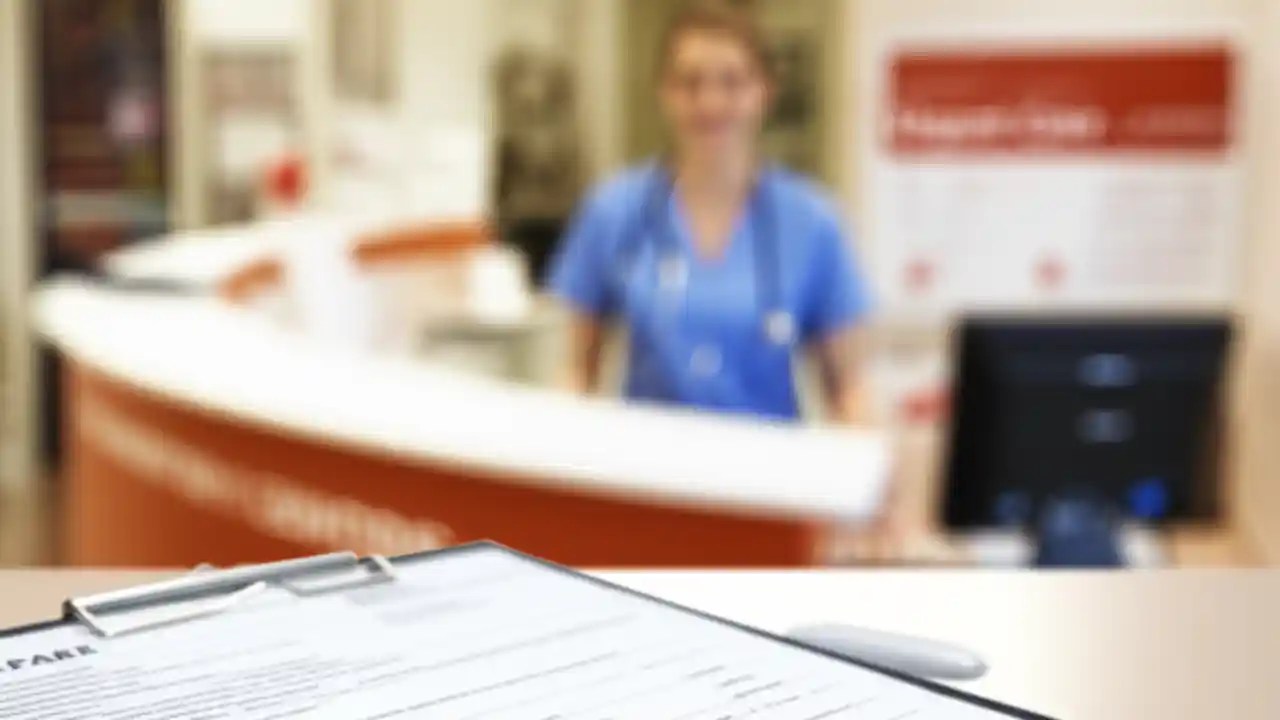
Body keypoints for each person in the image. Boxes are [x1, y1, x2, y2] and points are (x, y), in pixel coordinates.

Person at [548, 2, 874, 426]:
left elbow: (848, 389)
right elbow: (577, 372)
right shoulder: (614, 210)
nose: (710, 102)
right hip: (645, 460)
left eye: (732, 82)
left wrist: (872, 459)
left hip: (768, 463)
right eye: (690, 83)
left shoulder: (812, 223)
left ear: (764, 92)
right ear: (664, 92)